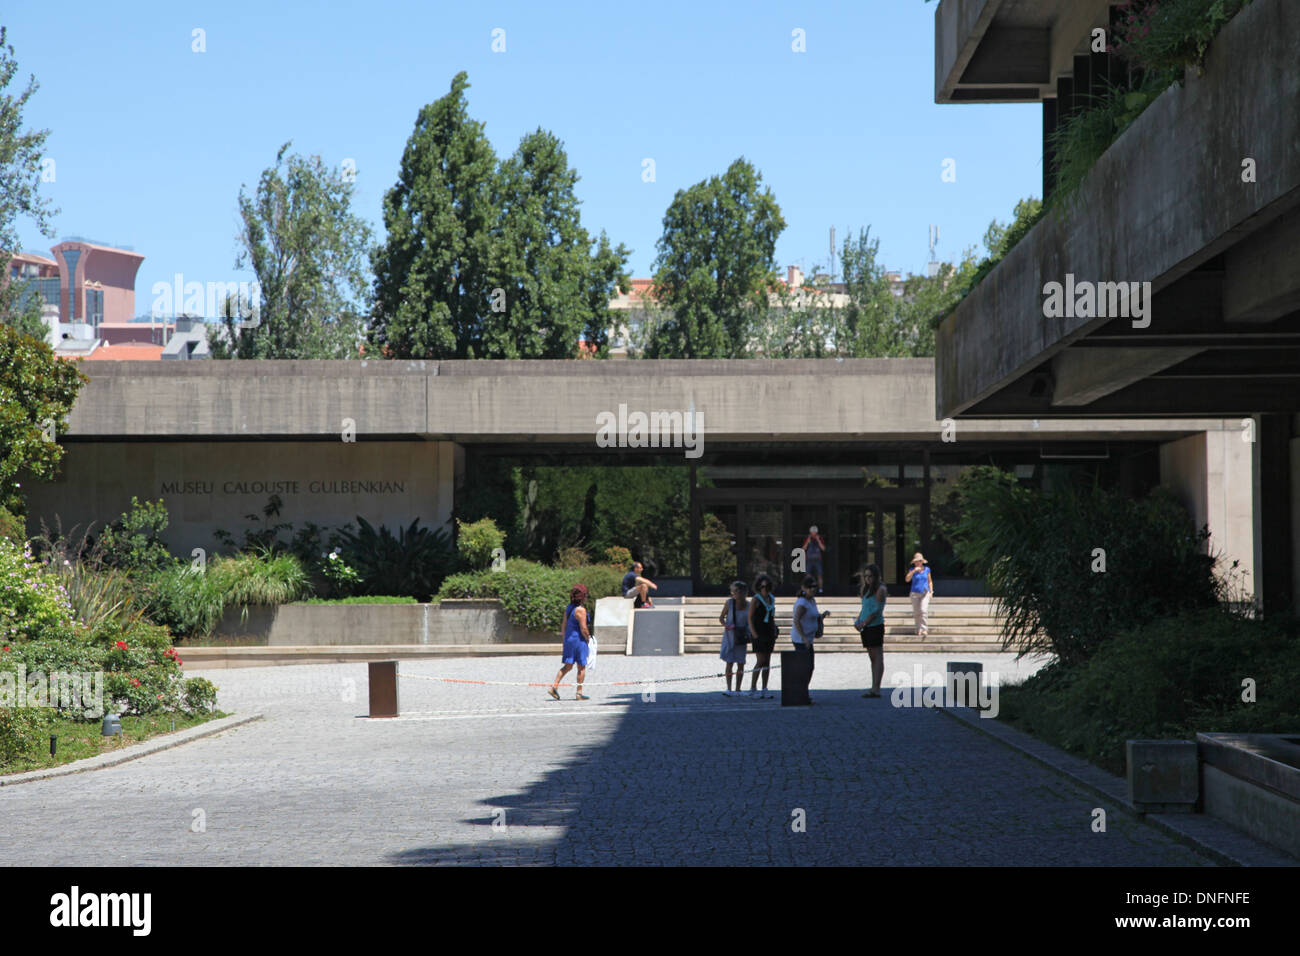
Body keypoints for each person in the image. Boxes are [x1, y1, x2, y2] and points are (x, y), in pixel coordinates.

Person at [548, 584, 592, 701]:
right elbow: (583, 628)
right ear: (582, 597)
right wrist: (589, 638)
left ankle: (554, 686)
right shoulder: (580, 610)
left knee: (567, 666)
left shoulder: (569, 608)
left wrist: (565, 639)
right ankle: (579, 693)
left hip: (569, 639)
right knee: (581, 667)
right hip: (579, 640)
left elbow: (564, 624)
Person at [791, 574, 829, 703]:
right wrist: (804, 638)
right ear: (803, 588)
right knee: (805, 667)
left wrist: (822, 616)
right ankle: (801, 693)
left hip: (809, 638)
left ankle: (803, 692)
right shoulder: (802, 602)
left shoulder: (811, 600)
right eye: (809, 587)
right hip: (801, 640)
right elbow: (796, 621)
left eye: (814, 587)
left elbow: (813, 616)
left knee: (809, 667)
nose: (812, 589)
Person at [854, 563, 887, 698]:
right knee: (871, 657)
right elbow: (864, 607)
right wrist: (858, 621)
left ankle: (876, 688)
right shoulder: (865, 589)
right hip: (865, 626)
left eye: (870, 576)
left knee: (877, 655)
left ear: (876, 576)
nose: (868, 578)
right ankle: (873, 687)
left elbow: (876, 611)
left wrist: (864, 623)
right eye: (865, 576)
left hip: (875, 625)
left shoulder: (880, 589)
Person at [747, 573, 778, 699]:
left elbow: (772, 615)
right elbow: (749, 617)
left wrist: (774, 629)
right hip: (758, 631)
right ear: (759, 587)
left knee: (768, 662)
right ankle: (753, 687)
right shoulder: (756, 599)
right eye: (763, 587)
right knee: (760, 661)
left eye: (767, 586)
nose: (765, 589)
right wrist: (753, 633)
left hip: (769, 631)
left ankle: (764, 688)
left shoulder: (772, 598)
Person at [718, 580, 749, 696]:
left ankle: (738, 688)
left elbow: (750, 620)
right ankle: (729, 688)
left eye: (739, 591)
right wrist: (726, 625)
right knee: (729, 662)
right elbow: (721, 618)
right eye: (734, 591)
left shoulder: (749, 605)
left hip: (742, 636)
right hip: (730, 635)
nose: (736, 594)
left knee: (741, 663)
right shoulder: (729, 603)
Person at [905, 552, 933, 637]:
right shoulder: (912, 570)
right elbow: (907, 579)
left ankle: (924, 629)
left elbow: (930, 581)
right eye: (916, 561)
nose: (918, 563)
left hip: (925, 592)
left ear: (922, 561)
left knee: (923, 610)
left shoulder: (927, 569)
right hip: (914, 593)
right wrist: (913, 571)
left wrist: (931, 591)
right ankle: (918, 629)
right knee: (917, 612)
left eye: (920, 561)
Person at [802, 526, 827, 594]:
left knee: (819, 575)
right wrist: (807, 541)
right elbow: (803, 549)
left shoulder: (820, 539)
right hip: (809, 559)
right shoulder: (807, 539)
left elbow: (823, 549)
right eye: (812, 532)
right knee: (807, 575)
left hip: (818, 559)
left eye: (815, 532)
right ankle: (807, 589)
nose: (813, 534)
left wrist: (818, 540)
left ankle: (820, 589)